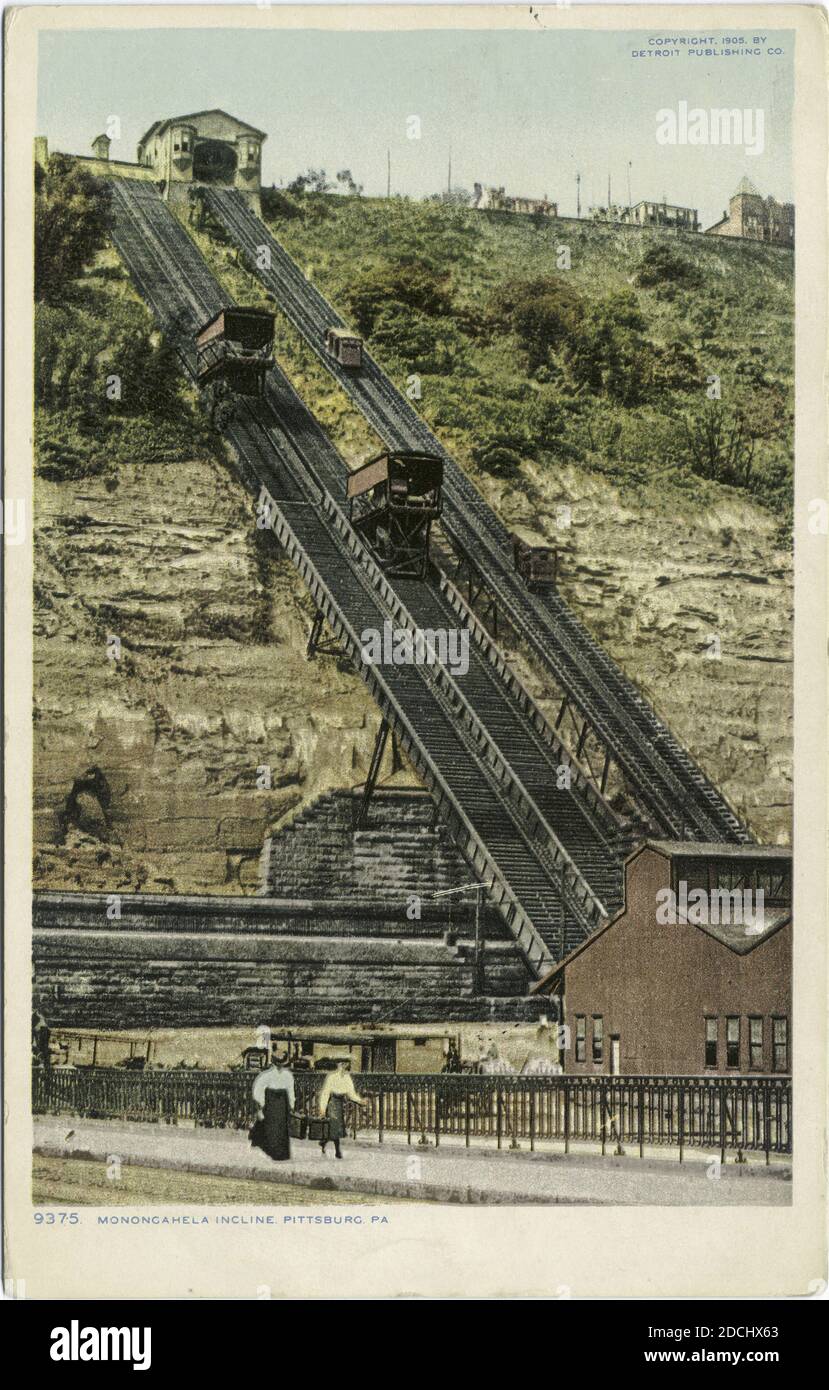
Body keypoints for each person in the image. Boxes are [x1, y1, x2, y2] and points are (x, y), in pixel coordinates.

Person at [317, 1060, 368, 1159]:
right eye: (341, 1064)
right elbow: (326, 1093)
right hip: (332, 1103)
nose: (343, 1067)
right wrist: (323, 1108)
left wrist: (360, 1101)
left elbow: (351, 1093)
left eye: (345, 1065)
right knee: (335, 1125)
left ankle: (323, 1142)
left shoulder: (347, 1078)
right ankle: (337, 1151)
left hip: (340, 1103)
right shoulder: (331, 1077)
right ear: (338, 1065)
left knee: (336, 1128)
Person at [250, 1054, 295, 1162]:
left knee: (281, 1128)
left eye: (281, 1063)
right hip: (271, 1103)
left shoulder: (288, 1075)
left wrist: (291, 1104)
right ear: (274, 1063)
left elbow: (290, 1090)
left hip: (282, 1103)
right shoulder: (267, 1075)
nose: (279, 1066)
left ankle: (282, 1154)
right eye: (277, 1063)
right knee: (271, 1127)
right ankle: (272, 1152)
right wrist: (262, 1102)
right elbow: (258, 1088)